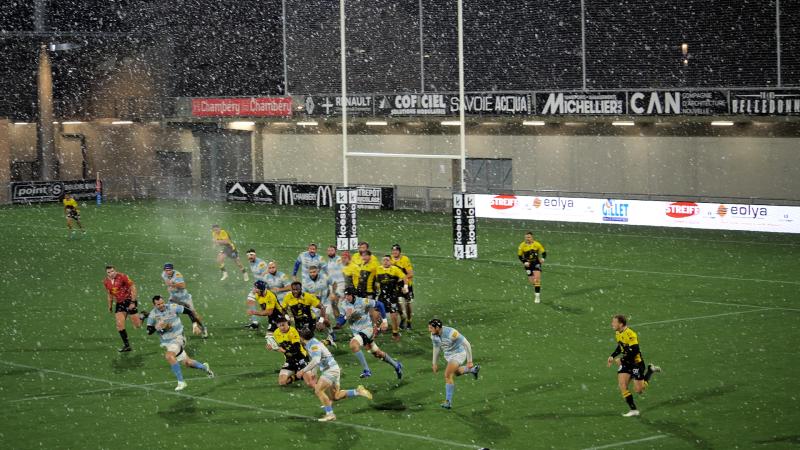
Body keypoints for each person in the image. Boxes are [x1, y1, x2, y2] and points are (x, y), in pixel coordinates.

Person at [296, 326, 372, 422]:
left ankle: (330, 414)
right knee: (335, 396)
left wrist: (303, 371)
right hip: (333, 369)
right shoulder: (312, 342)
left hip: (330, 370)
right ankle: (358, 391)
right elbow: (316, 359)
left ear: (302, 337)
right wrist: (314, 372)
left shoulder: (313, 345)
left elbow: (315, 360)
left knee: (318, 390)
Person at [146, 295, 215, 391]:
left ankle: (181, 382)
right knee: (187, 362)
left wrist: (194, 324)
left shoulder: (172, 307)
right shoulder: (153, 314)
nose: (161, 305)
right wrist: (157, 327)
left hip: (178, 338)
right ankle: (205, 367)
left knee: (169, 356)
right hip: (168, 343)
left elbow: (189, 311)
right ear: (154, 305)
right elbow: (149, 331)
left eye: (162, 303)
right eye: (158, 304)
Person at [338, 287, 403, 380]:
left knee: (353, 345)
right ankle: (396, 365)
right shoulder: (343, 305)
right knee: (377, 353)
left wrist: (384, 321)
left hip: (367, 330)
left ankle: (366, 370)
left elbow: (380, 304)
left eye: (348, 295)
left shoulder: (363, 301)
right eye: (346, 295)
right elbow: (340, 321)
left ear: (353, 295)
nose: (346, 297)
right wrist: (345, 317)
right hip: (357, 333)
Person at [607, 314, 661, 417]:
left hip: (636, 364)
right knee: (622, 385)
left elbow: (635, 351)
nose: (612, 324)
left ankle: (650, 370)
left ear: (621, 324)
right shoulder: (618, 333)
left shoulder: (631, 334)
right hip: (626, 363)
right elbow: (620, 346)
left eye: (614, 322)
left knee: (639, 390)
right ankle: (634, 410)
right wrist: (612, 356)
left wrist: (622, 359)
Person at [428, 318, 480, 409]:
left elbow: (466, 344)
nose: (429, 330)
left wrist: (469, 361)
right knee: (456, 372)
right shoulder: (434, 335)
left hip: (458, 354)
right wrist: (434, 363)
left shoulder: (451, 333)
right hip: (449, 356)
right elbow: (436, 348)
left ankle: (448, 402)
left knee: (447, 375)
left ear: (437, 327)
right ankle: (473, 370)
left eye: (431, 328)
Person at [102, 265, 147, 352]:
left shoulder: (123, 277)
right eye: (109, 272)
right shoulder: (106, 282)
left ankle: (142, 315)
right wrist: (110, 306)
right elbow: (109, 294)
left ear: (115, 271)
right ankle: (127, 346)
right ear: (106, 273)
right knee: (119, 325)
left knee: (137, 325)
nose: (111, 273)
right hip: (119, 303)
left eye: (112, 271)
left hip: (129, 300)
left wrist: (133, 302)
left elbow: (133, 287)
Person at [267, 314, 315, 387]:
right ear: (277, 326)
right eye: (280, 325)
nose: (282, 327)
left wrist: (284, 351)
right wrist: (273, 347)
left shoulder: (292, 331)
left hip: (301, 358)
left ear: (287, 323)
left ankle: (300, 373)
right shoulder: (276, 333)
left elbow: (296, 348)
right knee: (282, 382)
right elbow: (279, 347)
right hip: (289, 360)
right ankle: (297, 375)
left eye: (283, 325)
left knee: (310, 383)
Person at [162, 263, 208, 338]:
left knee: (193, 314)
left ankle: (203, 328)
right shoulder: (163, 274)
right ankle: (173, 332)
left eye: (169, 270)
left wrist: (172, 284)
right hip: (173, 298)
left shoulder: (177, 275)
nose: (168, 272)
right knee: (168, 313)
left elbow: (183, 286)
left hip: (184, 298)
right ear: (164, 270)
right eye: (166, 270)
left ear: (172, 270)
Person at [375, 255, 409, 341]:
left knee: (393, 316)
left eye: (387, 260)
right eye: (384, 260)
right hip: (382, 296)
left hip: (392, 296)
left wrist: (405, 287)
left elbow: (404, 277)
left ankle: (395, 333)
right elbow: (375, 281)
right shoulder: (378, 269)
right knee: (376, 315)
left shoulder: (395, 269)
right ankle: (377, 329)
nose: (385, 261)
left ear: (390, 261)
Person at [390, 244, 415, 329]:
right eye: (393, 250)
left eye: (396, 250)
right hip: (396, 286)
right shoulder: (389, 259)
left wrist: (402, 279)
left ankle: (409, 322)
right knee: (398, 303)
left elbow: (410, 274)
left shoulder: (405, 259)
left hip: (406, 285)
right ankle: (403, 318)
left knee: (408, 303)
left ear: (400, 252)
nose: (394, 252)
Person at [517, 231, 546, 303]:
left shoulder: (537, 244)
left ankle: (537, 296)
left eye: (529, 237)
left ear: (532, 237)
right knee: (531, 280)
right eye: (526, 237)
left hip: (536, 262)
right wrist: (524, 262)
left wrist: (543, 258)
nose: (527, 238)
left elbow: (544, 252)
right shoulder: (522, 245)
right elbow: (520, 256)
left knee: (537, 279)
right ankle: (536, 287)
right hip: (528, 264)